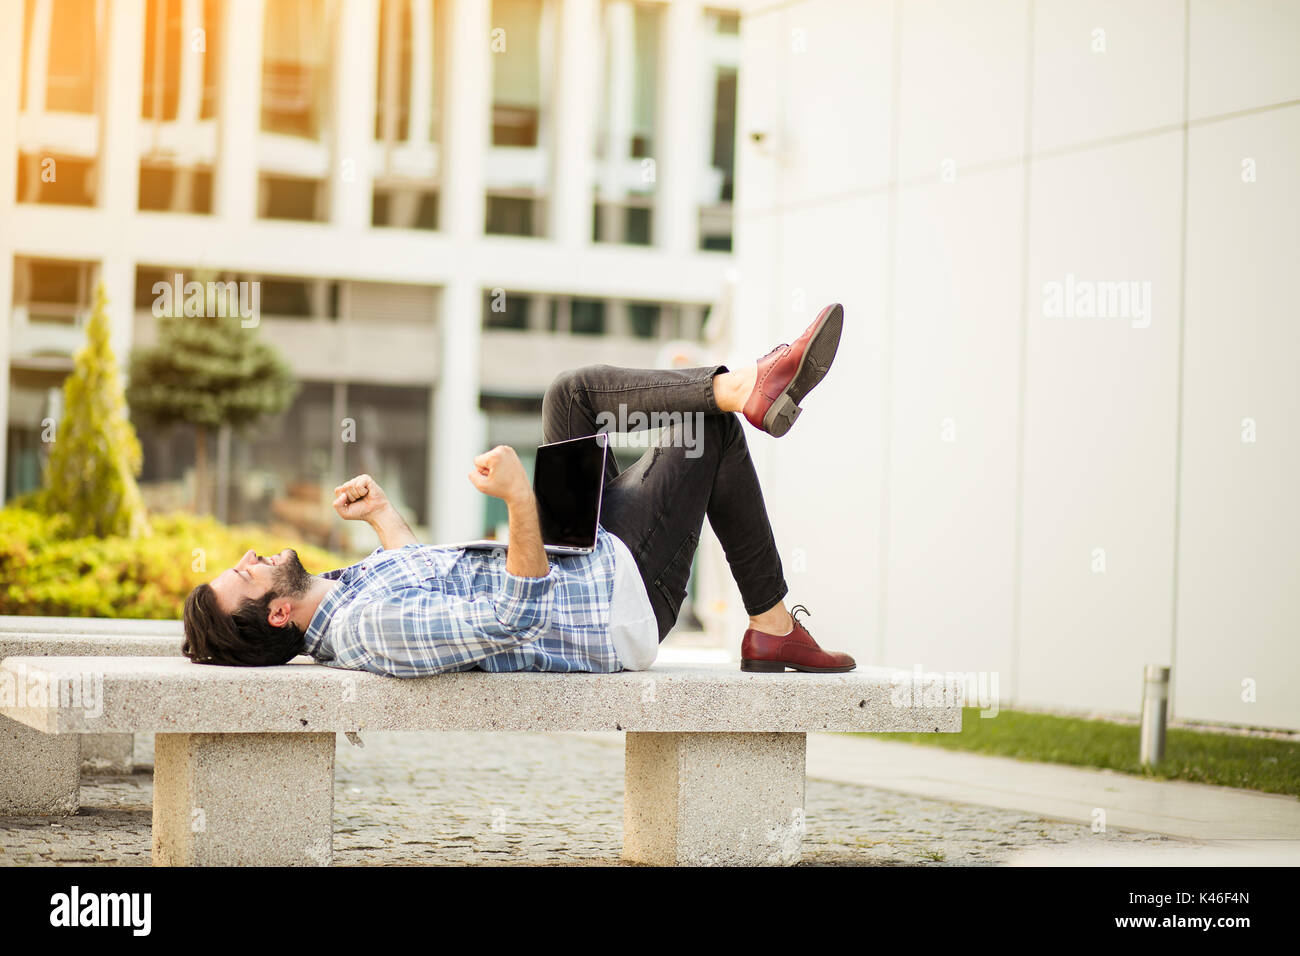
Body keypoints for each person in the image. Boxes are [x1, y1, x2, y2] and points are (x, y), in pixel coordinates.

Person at [182, 304, 855, 676]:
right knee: (710, 432)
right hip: (615, 602)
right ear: (274, 617)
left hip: (580, 559)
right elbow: (514, 618)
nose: (247, 560)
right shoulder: (367, 628)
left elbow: (423, 581)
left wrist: (384, 515)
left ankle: (746, 391)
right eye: (243, 578)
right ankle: (771, 623)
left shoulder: (343, 594)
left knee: (573, 393)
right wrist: (518, 501)